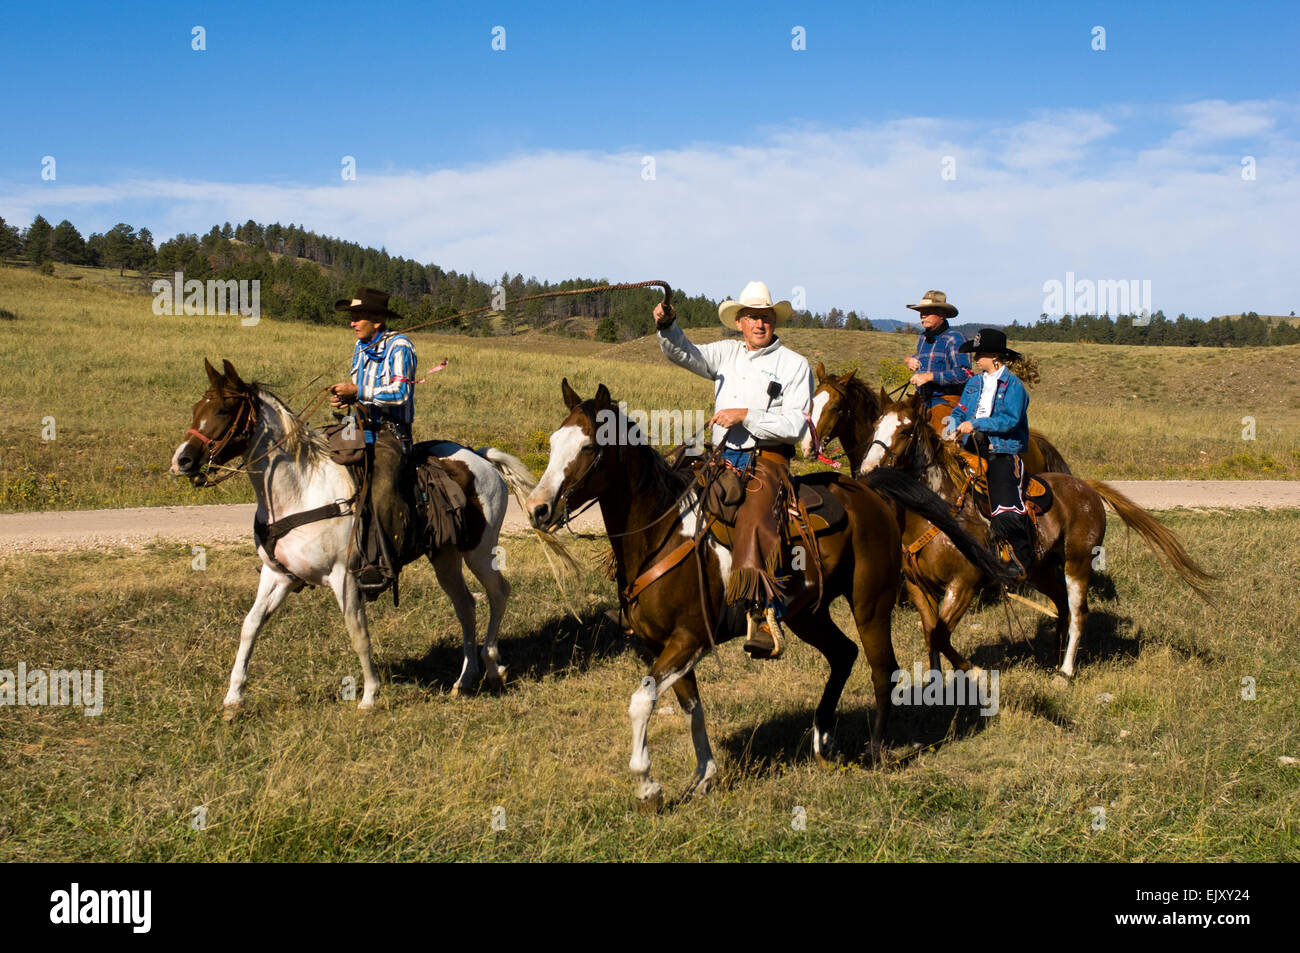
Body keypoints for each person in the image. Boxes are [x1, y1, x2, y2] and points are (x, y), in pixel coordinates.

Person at [653, 281, 812, 659]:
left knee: (755, 519)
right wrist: (667, 327)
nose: (760, 323)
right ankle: (653, 597)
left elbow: (797, 424)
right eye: (753, 317)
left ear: (774, 321)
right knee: (670, 487)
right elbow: (685, 354)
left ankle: (761, 614)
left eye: (766, 317)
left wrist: (746, 415)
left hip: (768, 459)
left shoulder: (794, 364)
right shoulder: (725, 353)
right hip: (724, 455)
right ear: (739, 321)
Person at [329, 287, 418, 589]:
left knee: (380, 489)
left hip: (390, 434)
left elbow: (401, 392)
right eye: (351, 317)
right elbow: (359, 390)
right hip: (359, 427)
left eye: (358, 317)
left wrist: (359, 393)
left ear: (377, 320)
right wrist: (347, 400)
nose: (352, 323)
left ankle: (381, 564)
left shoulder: (400, 346)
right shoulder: (361, 347)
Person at [944, 328, 1033, 579]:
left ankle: (1017, 561)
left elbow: (1010, 420)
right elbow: (961, 410)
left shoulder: (1014, 386)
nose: (975, 358)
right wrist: (952, 424)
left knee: (1005, 503)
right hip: (970, 447)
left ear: (995, 357)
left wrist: (977, 424)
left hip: (1000, 451)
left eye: (979, 353)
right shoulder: (974, 382)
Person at [904, 290, 971, 435]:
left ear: (942, 314)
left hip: (948, 402)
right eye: (921, 312)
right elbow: (924, 359)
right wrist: (910, 360)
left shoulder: (954, 338)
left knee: (943, 441)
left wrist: (930, 376)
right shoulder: (923, 338)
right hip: (922, 400)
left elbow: (964, 373)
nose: (923, 316)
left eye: (928, 312)